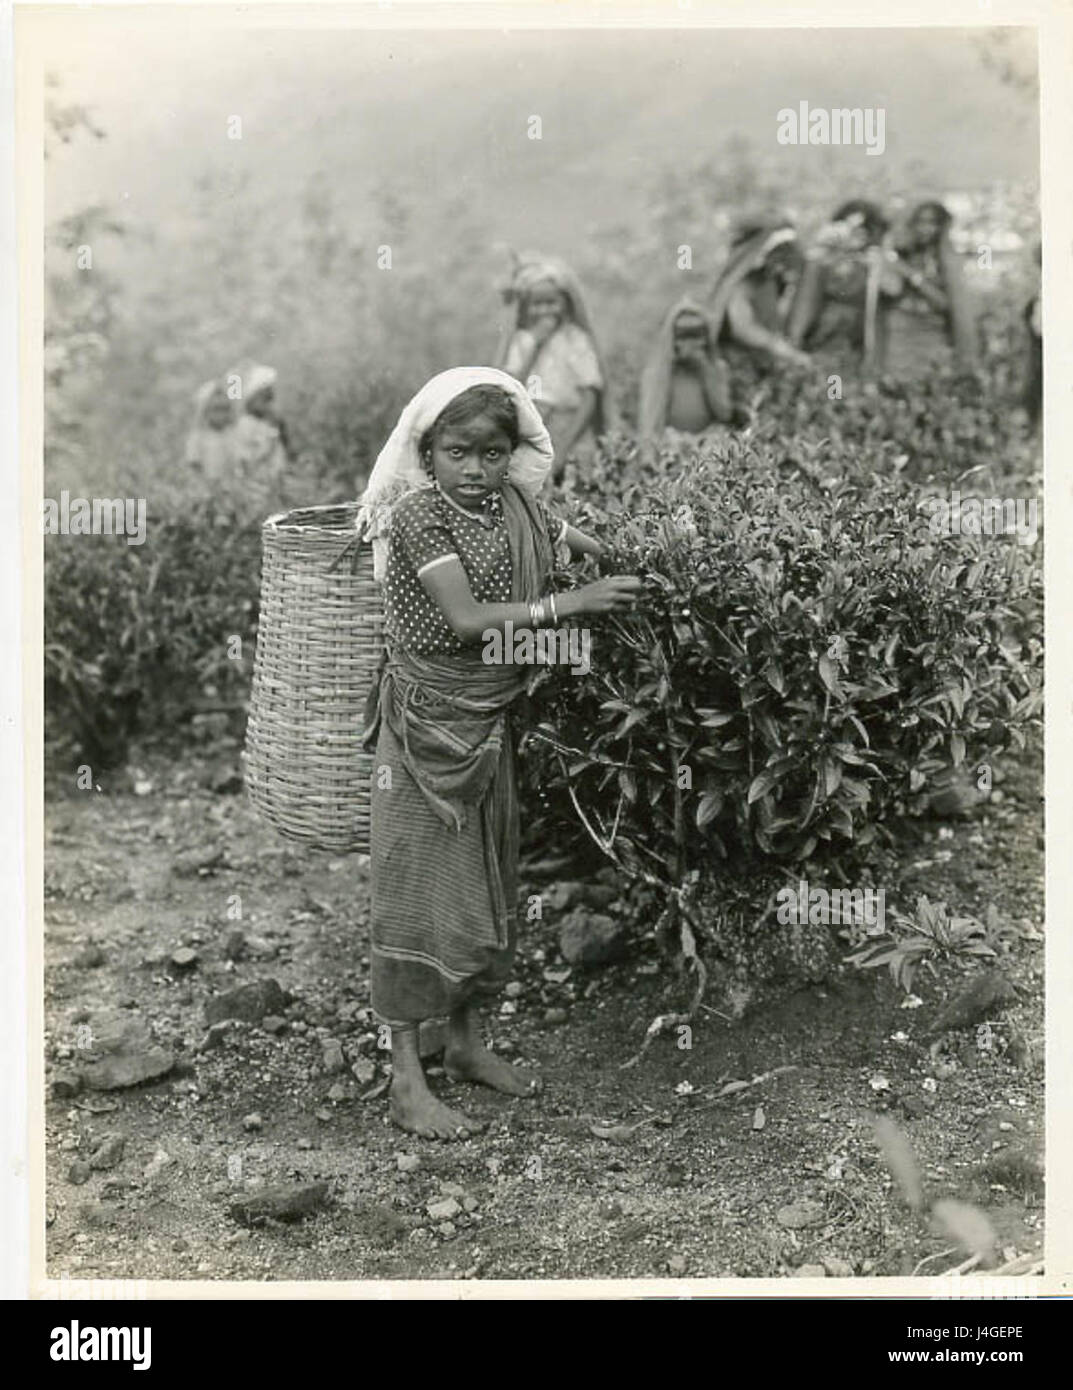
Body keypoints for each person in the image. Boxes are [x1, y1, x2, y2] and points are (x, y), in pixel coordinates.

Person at [357, 367, 641, 1139]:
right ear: (430, 451)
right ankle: (404, 1079)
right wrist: (568, 605)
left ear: (510, 455)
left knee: (489, 880)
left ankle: (467, 1045)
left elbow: (581, 541)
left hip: (490, 719)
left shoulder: (516, 505)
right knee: (417, 891)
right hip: (425, 728)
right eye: (457, 452)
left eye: (490, 453)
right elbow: (464, 618)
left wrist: (636, 561)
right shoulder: (415, 518)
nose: (474, 468)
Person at [497, 254, 611, 486]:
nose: (544, 311)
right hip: (531, 426)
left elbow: (590, 392)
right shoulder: (522, 341)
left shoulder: (575, 340)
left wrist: (564, 445)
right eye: (536, 304)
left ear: (566, 304)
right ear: (525, 307)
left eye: (551, 303)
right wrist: (535, 346)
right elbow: (511, 386)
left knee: (573, 489)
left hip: (570, 428)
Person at [787, 200, 902, 373]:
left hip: (864, 344)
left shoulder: (876, 260)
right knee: (833, 388)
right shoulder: (823, 261)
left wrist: (879, 263)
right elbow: (804, 304)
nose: (855, 235)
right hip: (829, 340)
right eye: (849, 228)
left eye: (862, 230)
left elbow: (893, 288)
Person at [885, 200, 978, 378]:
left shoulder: (945, 259)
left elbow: (947, 305)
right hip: (899, 338)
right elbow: (890, 291)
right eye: (920, 222)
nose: (926, 228)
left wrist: (913, 277)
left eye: (932, 223)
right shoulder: (899, 254)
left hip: (932, 335)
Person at [708, 219, 811, 368]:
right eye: (779, 257)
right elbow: (742, 328)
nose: (781, 267)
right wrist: (780, 348)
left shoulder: (773, 282)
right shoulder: (741, 285)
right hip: (735, 358)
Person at [638, 298, 737, 442]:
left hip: (708, 445)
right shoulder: (658, 373)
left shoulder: (717, 368)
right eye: (684, 336)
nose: (692, 343)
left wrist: (705, 371)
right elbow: (649, 425)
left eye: (698, 335)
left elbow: (724, 414)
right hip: (671, 446)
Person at [184, 378, 237, 487]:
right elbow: (194, 465)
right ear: (204, 411)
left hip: (229, 486)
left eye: (225, 409)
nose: (222, 415)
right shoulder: (198, 437)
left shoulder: (231, 434)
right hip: (207, 486)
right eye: (216, 409)